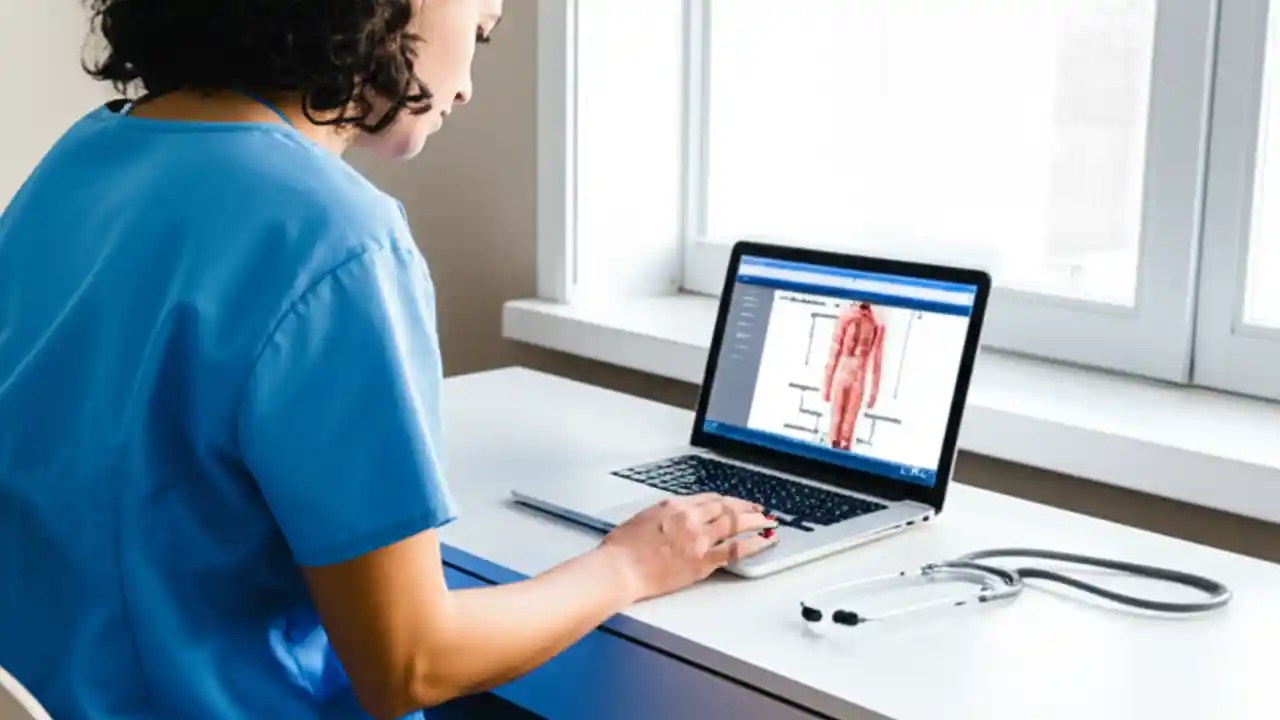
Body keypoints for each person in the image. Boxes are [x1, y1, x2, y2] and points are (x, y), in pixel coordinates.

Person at [0, 1, 778, 718]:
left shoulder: (84, 156)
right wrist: (630, 566)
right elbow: (410, 662)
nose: (466, 87)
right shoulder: (333, 233)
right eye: (480, 31)